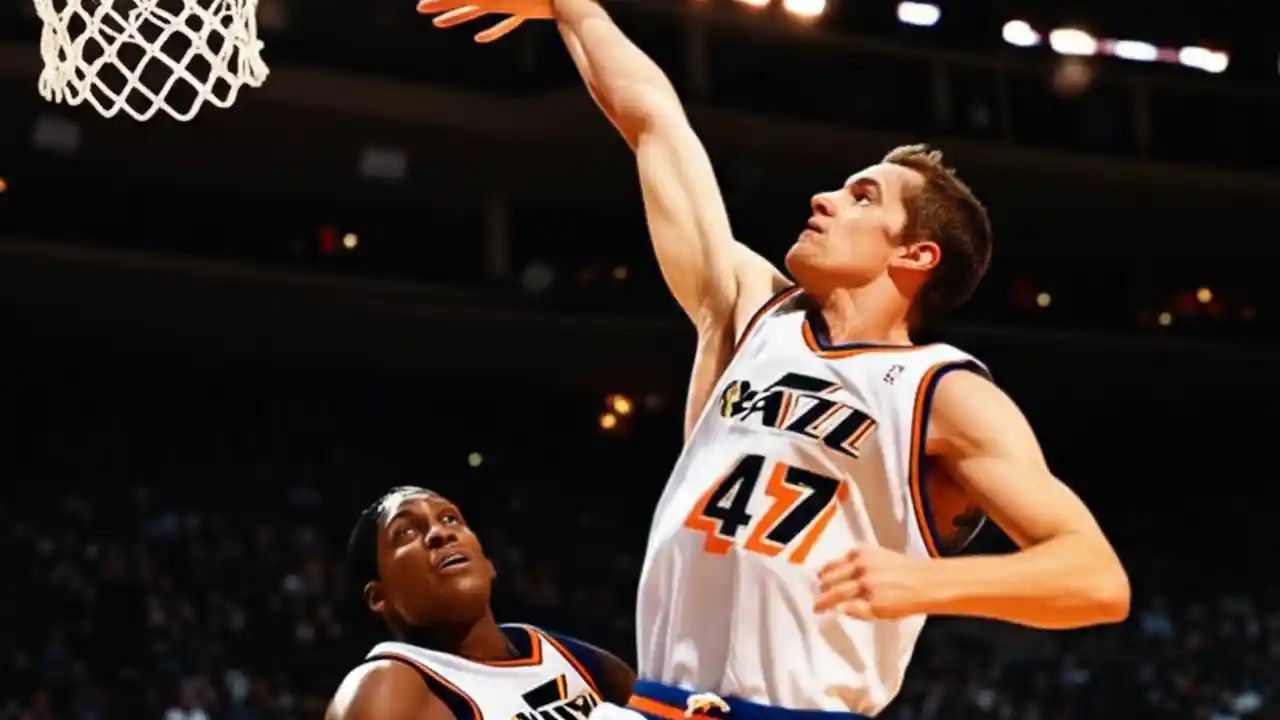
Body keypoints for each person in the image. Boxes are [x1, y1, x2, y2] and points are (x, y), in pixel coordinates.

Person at [415, 1, 1132, 717]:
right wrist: (576, 8)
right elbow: (655, 123)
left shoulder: (941, 391)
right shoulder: (750, 308)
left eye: (861, 197)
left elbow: (1095, 578)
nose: (822, 199)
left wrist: (927, 584)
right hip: (662, 703)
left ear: (916, 253)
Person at [326, 486, 636, 720]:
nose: (440, 533)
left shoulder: (558, 652)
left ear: (488, 564)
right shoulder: (386, 687)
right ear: (379, 597)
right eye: (406, 532)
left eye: (450, 518)